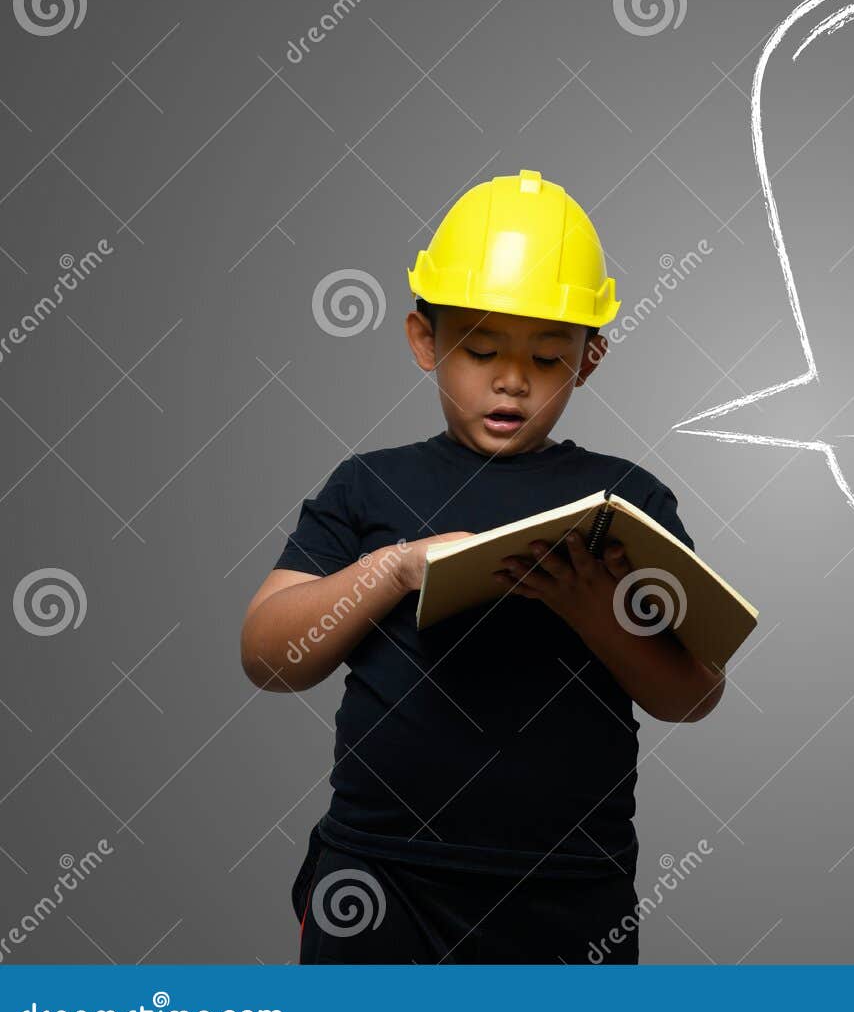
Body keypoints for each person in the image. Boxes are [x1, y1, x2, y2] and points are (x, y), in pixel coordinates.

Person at [238, 169, 724, 963]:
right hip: (382, 875)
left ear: (589, 358)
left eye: (546, 356)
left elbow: (694, 691)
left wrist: (587, 608)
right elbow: (266, 655)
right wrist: (391, 570)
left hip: (569, 887)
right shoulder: (369, 485)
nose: (511, 379)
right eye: (483, 348)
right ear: (425, 340)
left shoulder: (625, 500)